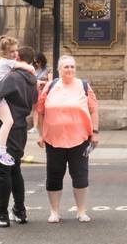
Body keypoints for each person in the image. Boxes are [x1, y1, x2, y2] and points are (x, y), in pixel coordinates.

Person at [36, 55, 99, 223]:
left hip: (80, 139)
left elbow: (93, 110)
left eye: (72, 67)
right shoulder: (50, 86)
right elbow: (40, 111)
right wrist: (41, 134)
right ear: (59, 69)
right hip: (53, 139)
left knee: (80, 175)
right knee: (54, 175)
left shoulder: (84, 86)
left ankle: (81, 211)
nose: (70, 70)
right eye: (66, 67)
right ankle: (54, 212)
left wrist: (95, 132)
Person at [0, 45, 38, 227]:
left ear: (17, 57)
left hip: (5, 129)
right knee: (15, 171)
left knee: (1, 171)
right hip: (20, 128)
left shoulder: (12, 77)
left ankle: (1, 214)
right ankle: (19, 211)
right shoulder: (31, 78)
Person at [0, 35, 36, 167]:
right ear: (3, 53)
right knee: (9, 121)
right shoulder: (6, 62)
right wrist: (31, 70)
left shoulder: (2, 62)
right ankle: (1, 150)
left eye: (16, 50)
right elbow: (30, 68)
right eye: (12, 51)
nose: (15, 53)